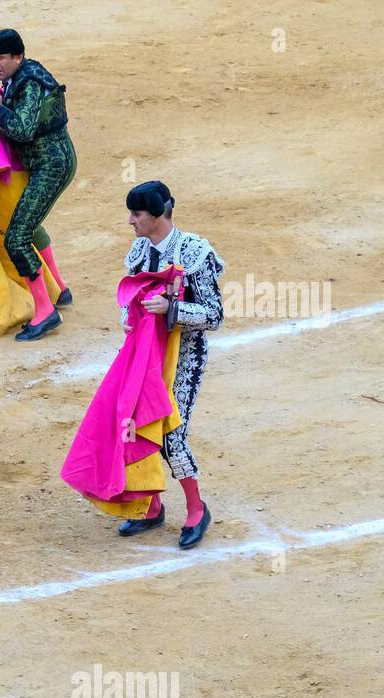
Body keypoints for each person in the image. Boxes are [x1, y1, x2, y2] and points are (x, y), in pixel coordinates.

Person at [114, 181, 224, 548]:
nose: (131, 221)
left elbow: (214, 314)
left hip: (185, 356)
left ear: (157, 215)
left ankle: (196, 509)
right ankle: (151, 505)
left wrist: (172, 310)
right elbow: (129, 298)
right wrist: (126, 317)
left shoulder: (196, 252)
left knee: (170, 432)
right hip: (145, 355)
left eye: (136, 214)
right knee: (133, 423)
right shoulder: (139, 251)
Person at [0, 29, 77, 341]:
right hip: (44, 163)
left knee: (17, 238)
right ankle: (58, 289)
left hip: (51, 165)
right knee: (29, 225)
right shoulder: (19, 77)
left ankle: (45, 311)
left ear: (17, 56)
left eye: (0, 57)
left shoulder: (30, 81)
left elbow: (22, 130)